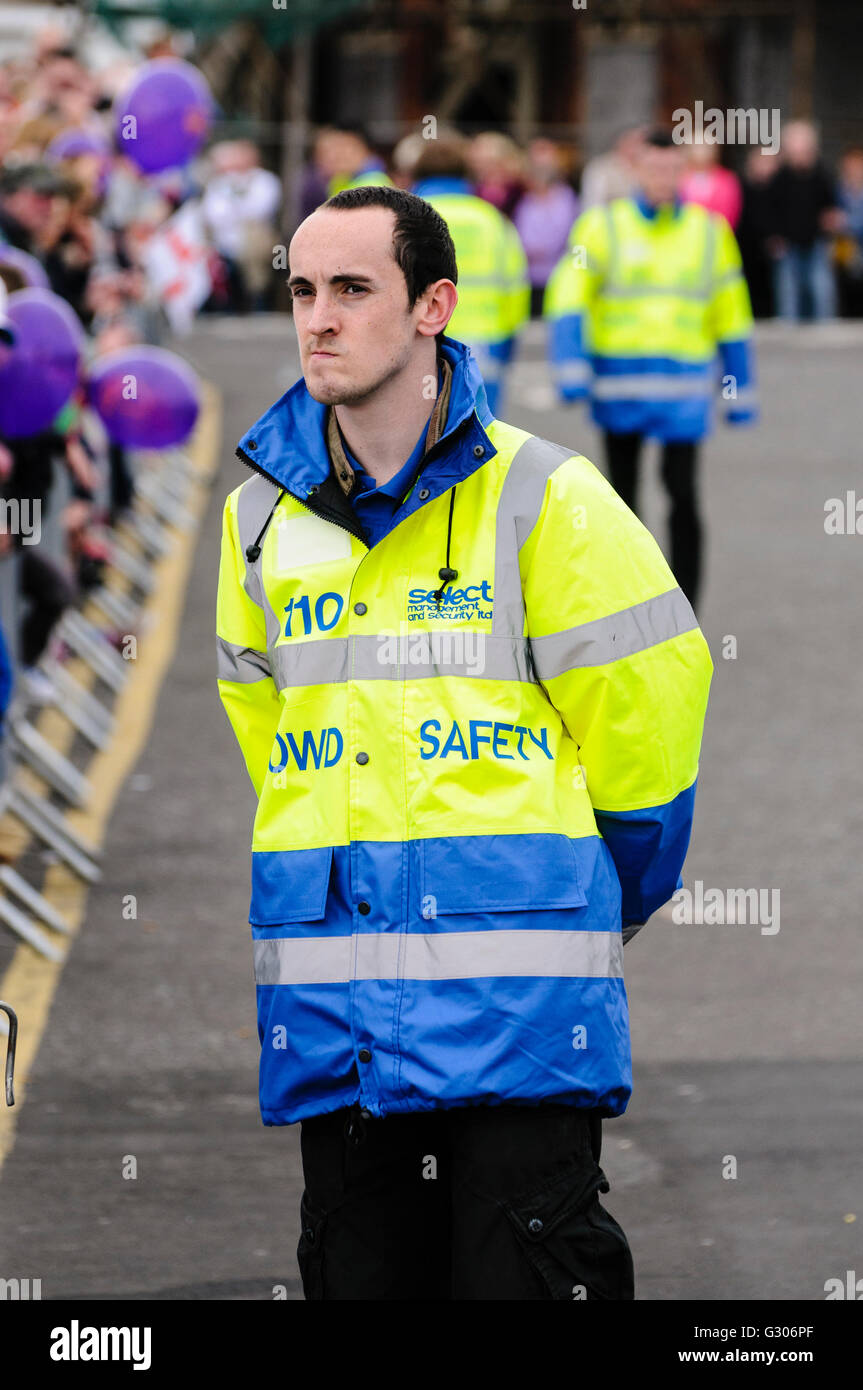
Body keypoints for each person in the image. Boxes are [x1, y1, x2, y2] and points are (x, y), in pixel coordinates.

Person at [215, 183, 713, 1301]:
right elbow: (275, 747)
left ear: (433, 304)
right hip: (336, 1021)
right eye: (301, 289)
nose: (317, 319)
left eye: (352, 288)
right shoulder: (256, 525)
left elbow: (650, 718)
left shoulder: (548, 499)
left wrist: (588, 899)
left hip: (518, 1023)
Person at [544, 128, 757, 609]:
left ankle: (686, 608)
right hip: (619, 389)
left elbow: (732, 310)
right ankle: (631, 598)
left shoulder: (709, 232)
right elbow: (568, 295)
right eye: (654, 168)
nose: (663, 178)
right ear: (636, 171)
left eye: (672, 169)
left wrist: (739, 390)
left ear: (685, 171)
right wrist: (570, 367)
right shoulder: (604, 226)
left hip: (684, 392)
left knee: (682, 493)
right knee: (622, 498)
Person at [412, 134, 529, 414]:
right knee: (480, 441)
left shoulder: (404, 219)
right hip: (483, 346)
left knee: (418, 443)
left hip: (419, 341)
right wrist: (508, 344)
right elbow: (516, 287)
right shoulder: (492, 219)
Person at [767, 120, 841, 322]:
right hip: (787, 244)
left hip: (816, 242)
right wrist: (774, 237)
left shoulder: (822, 176)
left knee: (822, 289)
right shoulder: (779, 179)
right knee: (788, 292)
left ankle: (826, 329)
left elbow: (831, 207)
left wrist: (831, 223)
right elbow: (771, 211)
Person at [512, 138, 579, 317]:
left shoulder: (565, 199)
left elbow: (558, 238)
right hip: (527, 279)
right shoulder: (525, 200)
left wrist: (531, 250)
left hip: (554, 278)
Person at [680, 140, 742, 229]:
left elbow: (729, 214)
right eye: (696, 146)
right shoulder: (680, 178)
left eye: (705, 146)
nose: (701, 150)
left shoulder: (727, 180)